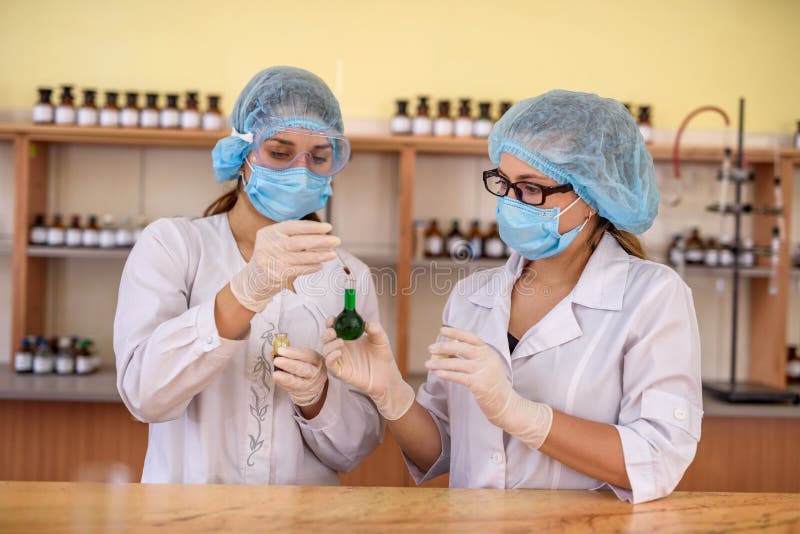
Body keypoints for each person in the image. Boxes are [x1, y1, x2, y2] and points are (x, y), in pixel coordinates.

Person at [320, 90, 702, 504]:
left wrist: (522, 416)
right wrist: (390, 393)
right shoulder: (473, 297)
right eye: (503, 183)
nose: (510, 202)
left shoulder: (653, 298)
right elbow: (440, 449)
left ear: (591, 196)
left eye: (531, 189)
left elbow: (657, 457)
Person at [114, 66, 382, 484]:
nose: (300, 169)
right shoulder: (173, 246)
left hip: (302, 520)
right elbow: (145, 396)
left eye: (319, 155)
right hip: (187, 517)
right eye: (279, 151)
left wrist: (319, 399)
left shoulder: (349, 275)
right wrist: (245, 291)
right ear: (242, 156)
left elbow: (355, 449)